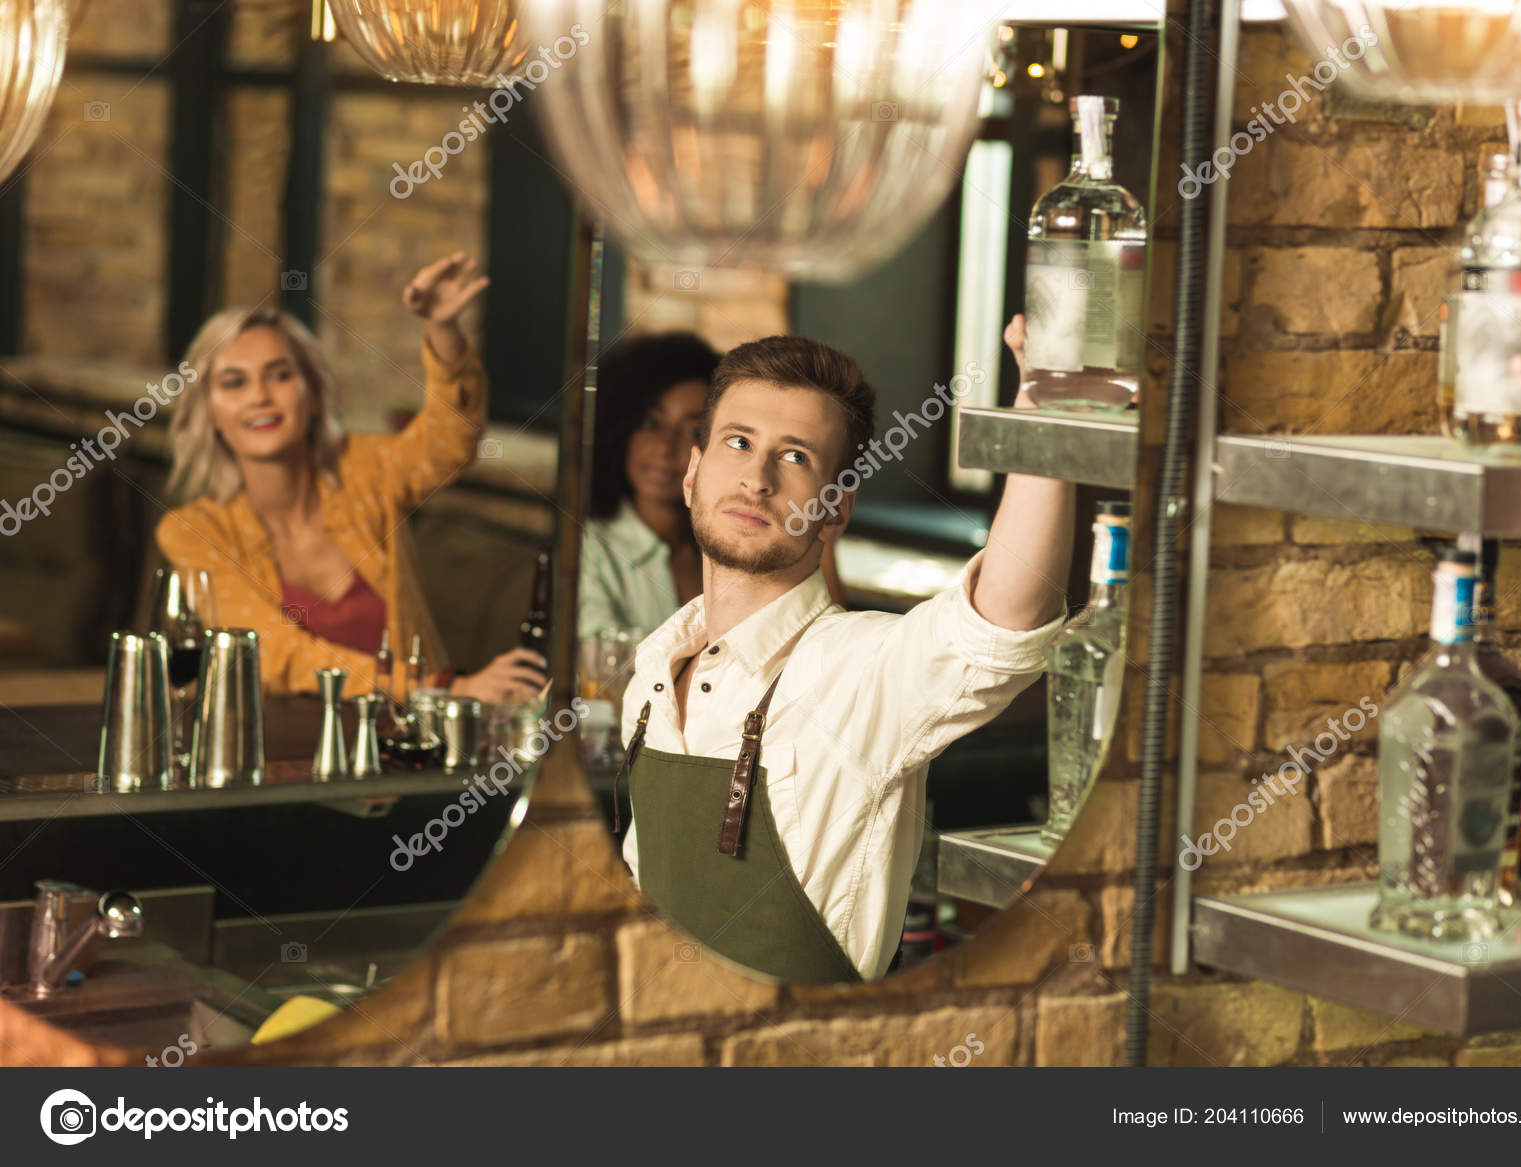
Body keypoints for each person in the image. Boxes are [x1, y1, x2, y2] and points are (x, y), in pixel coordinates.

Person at [614, 319, 1075, 984]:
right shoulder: (653, 676)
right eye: (738, 442)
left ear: (834, 509)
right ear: (692, 474)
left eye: (795, 455)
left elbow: (1006, 615)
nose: (757, 477)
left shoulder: (857, 671)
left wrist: (1044, 407)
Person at [156, 253, 544, 703]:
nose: (260, 397)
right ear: (209, 413)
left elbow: (450, 443)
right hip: (282, 753)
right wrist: (441, 689)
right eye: (234, 383)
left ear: (314, 393)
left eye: (280, 375)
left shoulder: (364, 469)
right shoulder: (194, 531)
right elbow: (278, 655)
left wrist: (443, 332)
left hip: (409, 742)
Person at [582, 332, 846, 643]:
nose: (666, 449)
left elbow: (822, 650)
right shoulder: (588, 547)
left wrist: (817, 529)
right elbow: (592, 661)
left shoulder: (740, 538)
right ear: (621, 430)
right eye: (652, 424)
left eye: (692, 430)